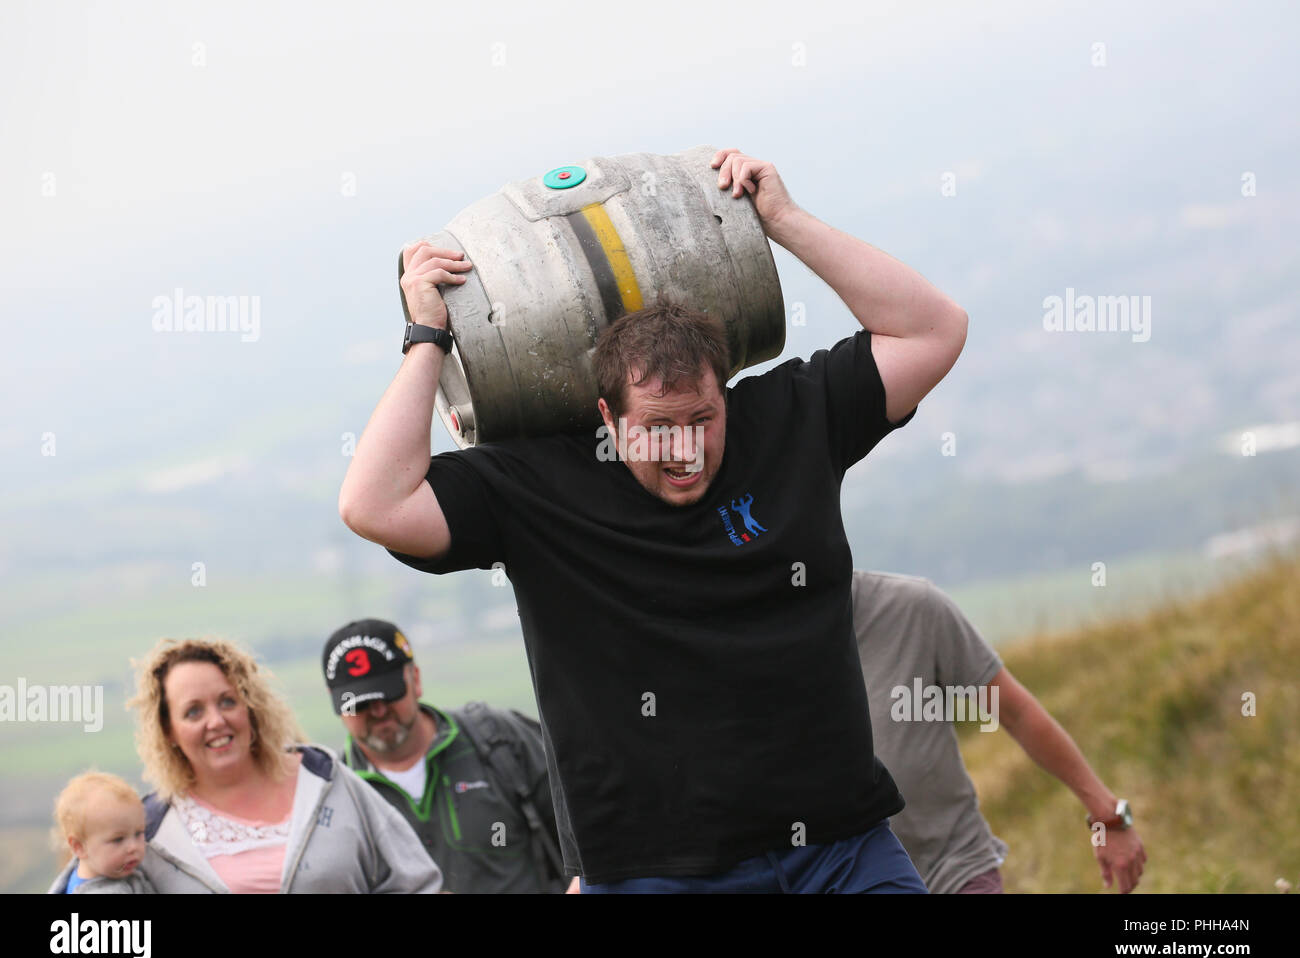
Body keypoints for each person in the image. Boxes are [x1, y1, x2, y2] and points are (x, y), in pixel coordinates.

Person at [338, 147, 969, 892]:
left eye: (704, 418)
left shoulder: (791, 420)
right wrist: (427, 335)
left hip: (839, 845)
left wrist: (787, 223)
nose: (687, 449)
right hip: (653, 873)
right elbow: (373, 502)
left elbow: (934, 331)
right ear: (607, 416)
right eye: (659, 426)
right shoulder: (539, 489)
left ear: (728, 393)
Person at [851, 570, 1148, 893]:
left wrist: (1108, 815)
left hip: (954, 870)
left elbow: (1015, 712)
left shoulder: (914, 607)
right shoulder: (789, 645)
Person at [80, 637, 442, 894]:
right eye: (193, 711)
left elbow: (418, 882)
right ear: (168, 731)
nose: (216, 721)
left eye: (227, 701)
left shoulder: (325, 780)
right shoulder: (151, 830)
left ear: (251, 707)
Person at [322, 618, 569, 893]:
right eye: (361, 703)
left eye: (389, 695)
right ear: (334, 701)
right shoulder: (332, 796)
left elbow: (587, 821)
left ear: (415, 679)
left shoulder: (498, 739)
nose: (379, 712)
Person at [47, 771, 152, 894]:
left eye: (138, 833)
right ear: (79, 847)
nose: (133, 847)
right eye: (118, 839)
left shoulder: (93, 868)